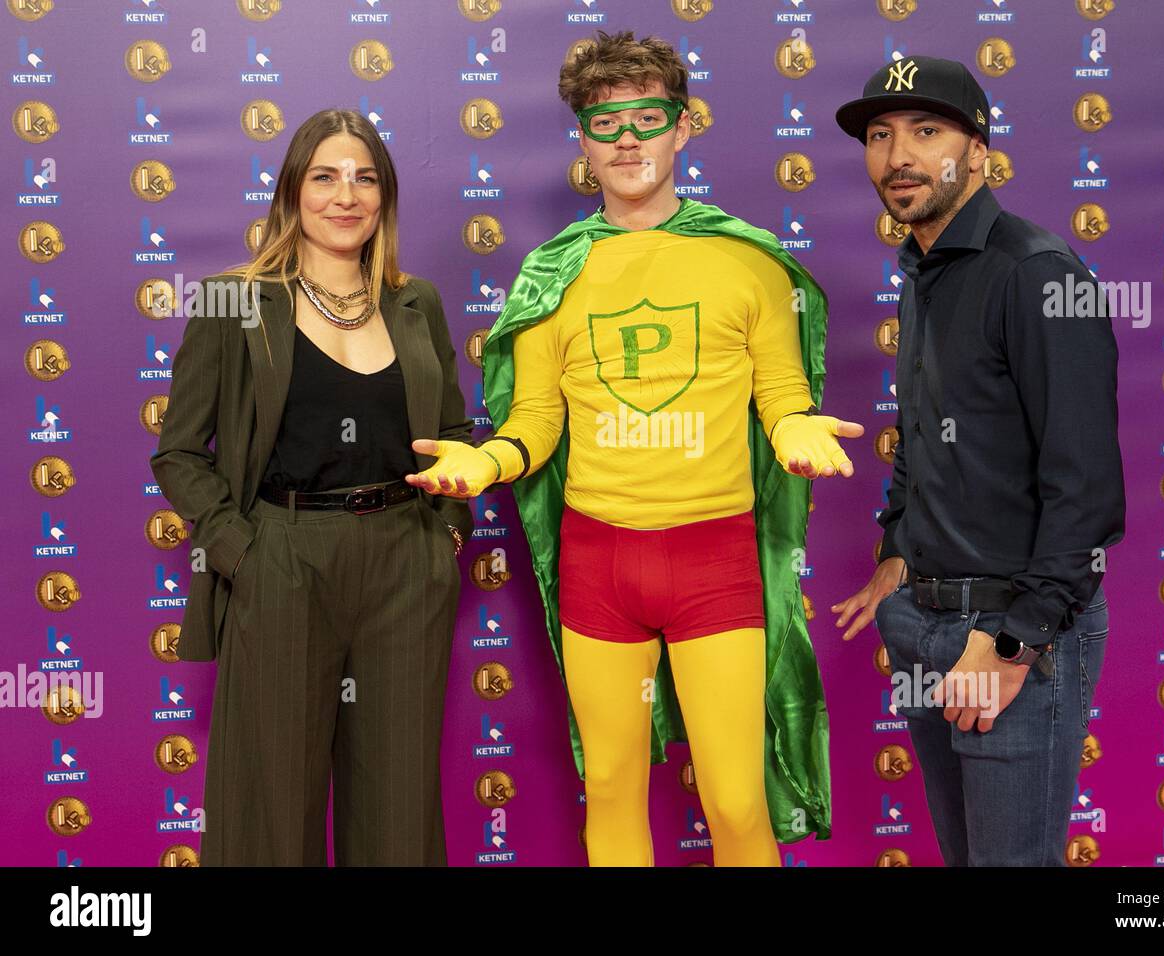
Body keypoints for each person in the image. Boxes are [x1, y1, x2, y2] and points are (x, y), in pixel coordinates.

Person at [407, 31, 861, 866]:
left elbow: (782, 394)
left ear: (683, 126)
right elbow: (534, 423)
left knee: (735, 799)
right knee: (612, 788)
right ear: (582, 140)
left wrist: (795, 425)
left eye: (646, 118)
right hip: (598, 563)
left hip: (714, 560)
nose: (626, 139)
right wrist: (487, 460)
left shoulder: (747, 262)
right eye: (604, 122)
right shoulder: (552, 274)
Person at [150, 108, 473, 866]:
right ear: (293, 190)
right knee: (268, 809)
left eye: (365, 179)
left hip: (405, 562)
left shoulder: (417, 302)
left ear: (385, 196)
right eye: (325, 177)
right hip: (283, 559)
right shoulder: (233, 300)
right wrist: (242, 551)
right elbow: (179, 453)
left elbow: (454, 432)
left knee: (398, 809)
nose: (345, 196)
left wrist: (447, 530)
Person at [831, 56, 1125, 866]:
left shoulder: (1035, 272)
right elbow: (927, 432)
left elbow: (1086, 488)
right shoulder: (924, 272)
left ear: (981, 155)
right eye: (881, 136)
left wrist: (1013, 644)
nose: (899, 157)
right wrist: (898, 547)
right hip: (923, 624)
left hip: (1012, 631)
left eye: (927, 131)